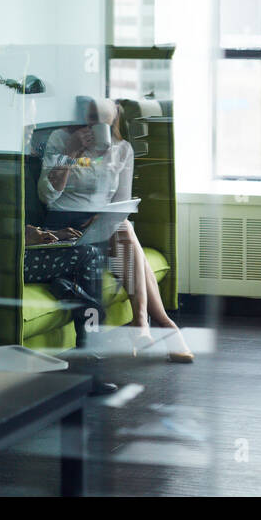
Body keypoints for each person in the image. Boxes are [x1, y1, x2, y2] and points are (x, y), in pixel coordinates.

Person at [38, 98, 193, 362]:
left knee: (122, 227)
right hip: (63, 224)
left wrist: (101, 217)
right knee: (127, 238)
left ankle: (144, 323)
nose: (95, 126)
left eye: (102, 121)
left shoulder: (122, 150)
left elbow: (122, 202)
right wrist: (72, 152)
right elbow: (47, 196)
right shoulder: (60, 139)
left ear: (113, 121)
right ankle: (159, 325)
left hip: (103, 225)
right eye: (90, 119)